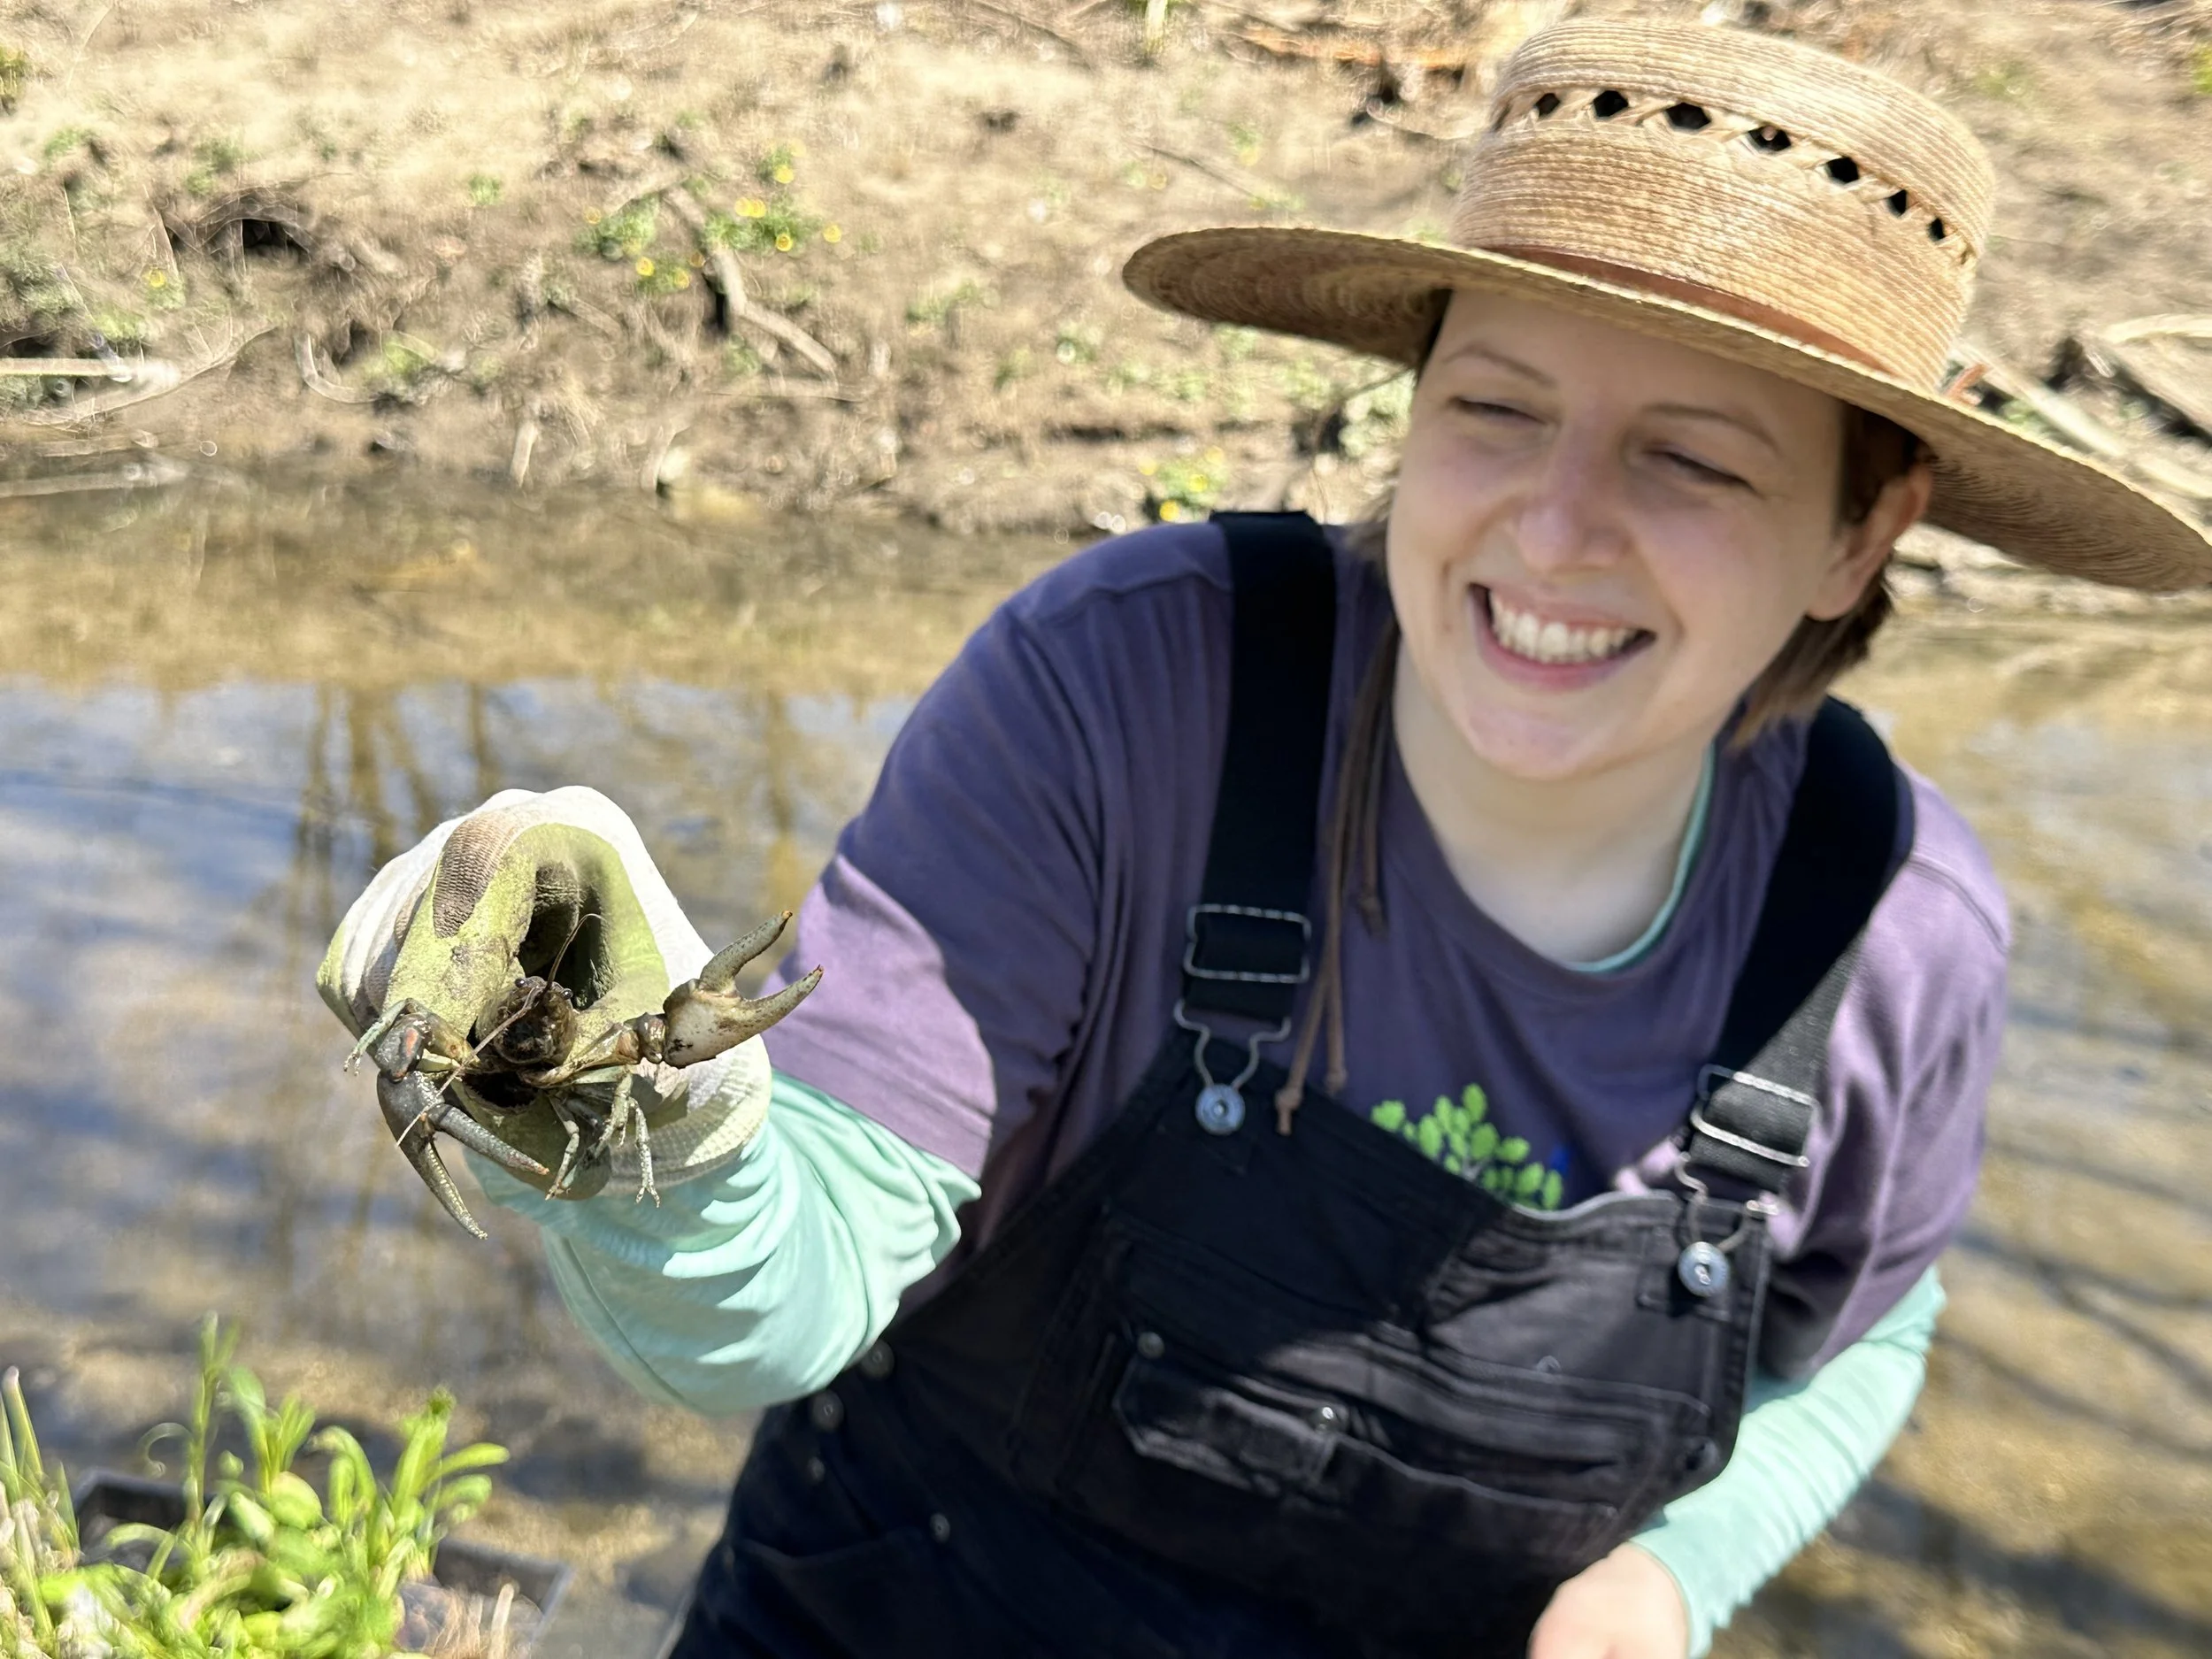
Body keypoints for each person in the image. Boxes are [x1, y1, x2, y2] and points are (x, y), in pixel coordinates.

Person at [319, 19, 2211, 1659]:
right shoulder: (1128, 696)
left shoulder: (1889, 926)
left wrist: (1670, 1572)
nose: (1552, 528)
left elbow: (1856, 1337)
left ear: (1856, 533)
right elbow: (774, 1304)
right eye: (1492, 409)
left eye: (1690, 457)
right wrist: (658, 1149)